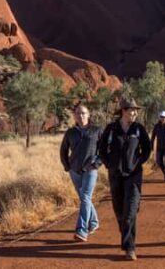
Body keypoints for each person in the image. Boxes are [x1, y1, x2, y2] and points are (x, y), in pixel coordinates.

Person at [100, 98, 152, 261]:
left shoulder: (138, 129)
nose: (135, 113)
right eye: (132, 110)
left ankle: (130, 247)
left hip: (133, 175)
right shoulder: (111, 129)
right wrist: (109, 164)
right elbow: (101, 149)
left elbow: (147, 149)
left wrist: (138, 163)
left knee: (129, 212)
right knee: (119, 210)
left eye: (136, 110)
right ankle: (125, 230)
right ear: (123, 111)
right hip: (115, 175)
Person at [60, 104, 103, 242]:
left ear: (89, 115)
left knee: (85, 197)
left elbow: (104, 150)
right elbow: (63, 150)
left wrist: (96, 164)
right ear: (75, 116)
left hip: (90, 169)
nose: (81, 116)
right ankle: (94, 222)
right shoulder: (70, 132)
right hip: (75, 170)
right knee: (85, 199)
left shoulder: (96, 130)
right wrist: (67, 166)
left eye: (83, 113)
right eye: (78, 113)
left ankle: (82, 230)